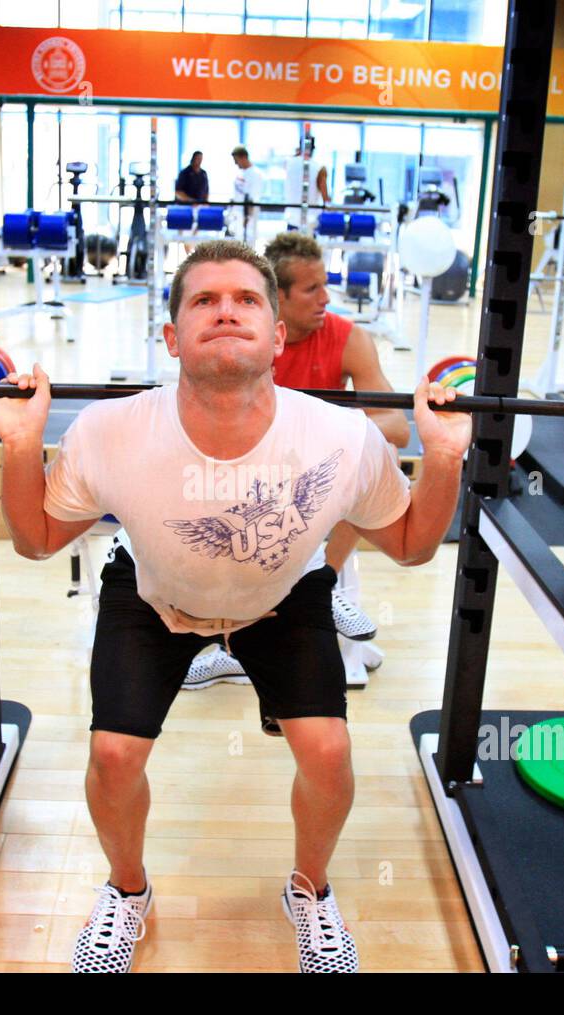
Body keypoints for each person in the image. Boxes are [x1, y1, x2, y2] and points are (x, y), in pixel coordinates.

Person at [0, 240, 470, 974]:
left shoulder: (340, 437)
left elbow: (410, 545)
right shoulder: (111, 432)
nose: (225, 311)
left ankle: (309, 893)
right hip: (153, 590)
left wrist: (443, 457)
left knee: (330, 753)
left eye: (246, 299)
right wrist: (21, 444)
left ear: (277, 336)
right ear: (171, 336)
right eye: (204, 300)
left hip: (280, 596)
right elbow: (33, 540)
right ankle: (127, 892)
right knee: (113, 753)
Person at [183, 231, 410, 692]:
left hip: (314, 476)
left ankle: (321, 585)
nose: (326, 298)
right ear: (278, 300)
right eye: (312, 289)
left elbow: (396, 425)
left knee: (372, 458)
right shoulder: (242, 342)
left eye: (325, 285)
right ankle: (226, 642)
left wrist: (321, 439)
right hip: (245, 474)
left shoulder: (349, 338)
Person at [283, 138, 329, 225]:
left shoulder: (288, 163)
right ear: (313, 149)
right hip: (311, 220)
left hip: (291, 217)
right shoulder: (320, 167)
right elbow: (326, 199)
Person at [229, 145, 264, 242]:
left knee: (247, 244)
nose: (235, 163)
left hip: (248, 216)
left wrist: (247, 217)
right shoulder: (239, 173)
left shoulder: (256, 174)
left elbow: (254, 198)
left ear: (243, 157)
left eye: (236, 160)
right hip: (237, 215)